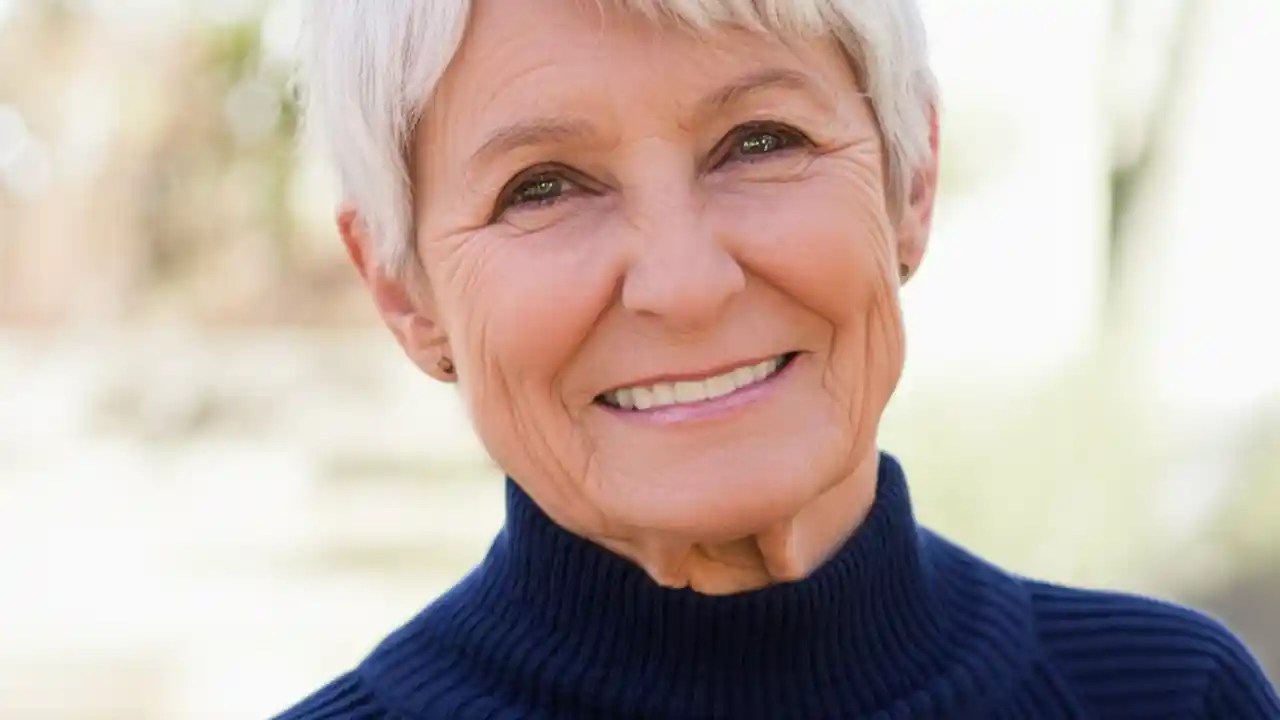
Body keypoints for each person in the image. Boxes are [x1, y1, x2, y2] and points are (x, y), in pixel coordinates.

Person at [278, 1, 1279, 717]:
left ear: (908, 176)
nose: (683, 282)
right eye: (540, 188)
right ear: (404, 293)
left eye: (759, 141)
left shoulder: (1170, 697)